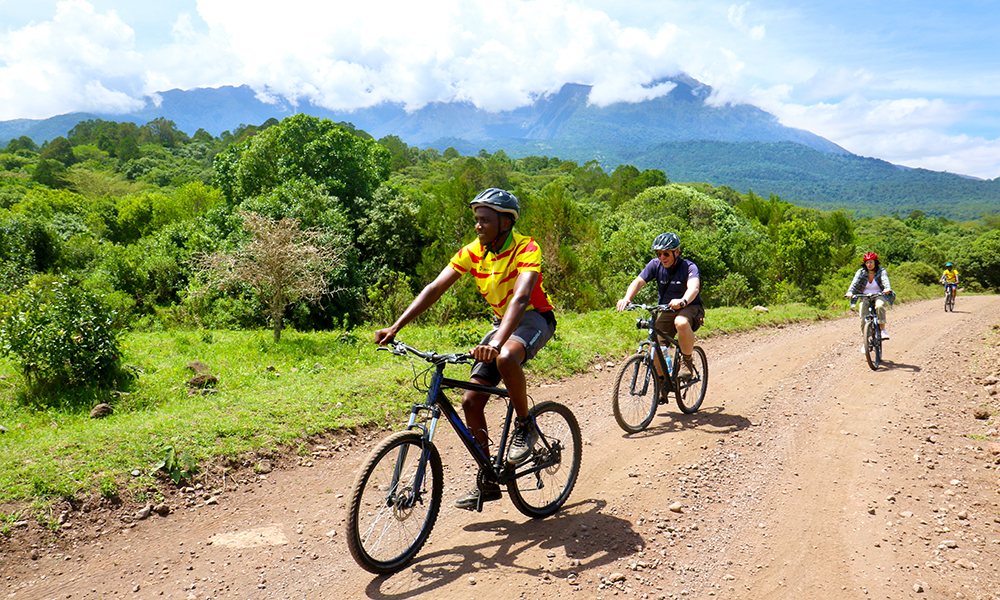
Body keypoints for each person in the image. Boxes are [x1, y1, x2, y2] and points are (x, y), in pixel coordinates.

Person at [373, 187, 556, 510]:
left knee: (507, 357)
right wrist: (396, 326)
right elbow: (435, 288)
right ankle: (488, 480)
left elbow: (521, 298)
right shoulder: (473, 252)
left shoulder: (526, 247)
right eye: (476, 219)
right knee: (471, 401)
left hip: (534, 318)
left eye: (485, 220)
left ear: (505, 222)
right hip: (502, 323)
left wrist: (496, 343)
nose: (478, 225)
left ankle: (525, 425)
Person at [616, 232, 704, 391]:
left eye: (666, 254)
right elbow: (638, 282)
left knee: (681, 322)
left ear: (676, 252)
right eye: (659, 254)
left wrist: (683, 300)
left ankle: (687, 361)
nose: (662, 257)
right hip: (667, 309)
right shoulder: (655, 265)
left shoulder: (689, 267)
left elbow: (694, 287)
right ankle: (663, 382)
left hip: (690, 307)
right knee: (654, 346)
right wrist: (626, 298)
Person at [844, 252, 895, 340]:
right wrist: (850, 292)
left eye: (871, 262)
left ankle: (883, 330)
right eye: (867, 262)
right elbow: (854, 283)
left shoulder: (881, 271)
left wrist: (887, 288)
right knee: (863, 316)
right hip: (864, 296)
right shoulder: (861, 272)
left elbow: (885, 280)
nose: (869, 264)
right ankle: (866, 340)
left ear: (875, 263)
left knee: (879, 306)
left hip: (879, 294)